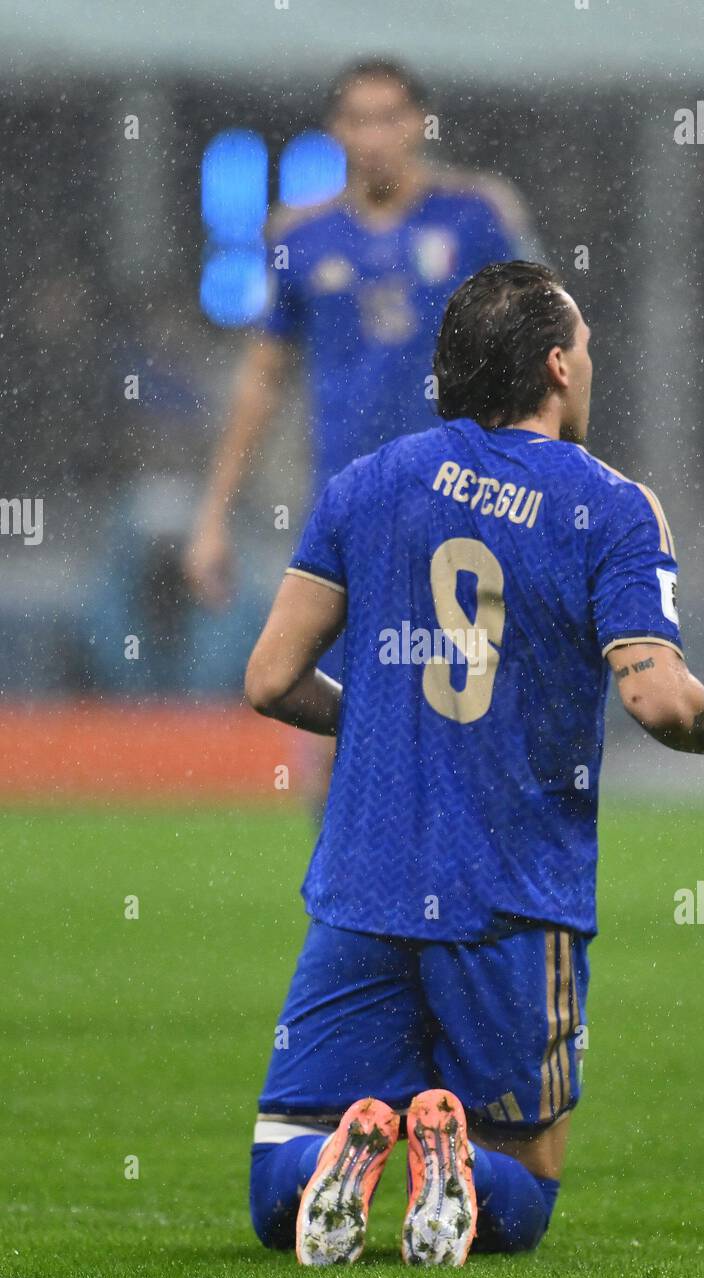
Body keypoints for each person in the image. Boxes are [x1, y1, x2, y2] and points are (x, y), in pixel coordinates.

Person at [243, 261, 704, 1268]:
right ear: (553, 364)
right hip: (510, 900)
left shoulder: (366, 484)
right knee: (526, 1191)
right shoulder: (612, 505)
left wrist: (382, 722)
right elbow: (656, 697)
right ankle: (448, 1161)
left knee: (280, 1164)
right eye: (582, 346)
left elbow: (272, 677)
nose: (589, 362)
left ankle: (348, 1152)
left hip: (365, 885)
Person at [185, 57, 538, 804]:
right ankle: (349, 904)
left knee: (470, 713)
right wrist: (214, 515)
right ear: (335, 130)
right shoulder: (300, 238)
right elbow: (262, 378)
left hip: (465, 500)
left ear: (418, 123)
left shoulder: (475, 217)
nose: (375, 135)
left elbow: (546, 350)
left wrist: (551, 482)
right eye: (359, 119)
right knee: (340, 721)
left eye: (390, 117)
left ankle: (470, 902)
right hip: (349, 512)